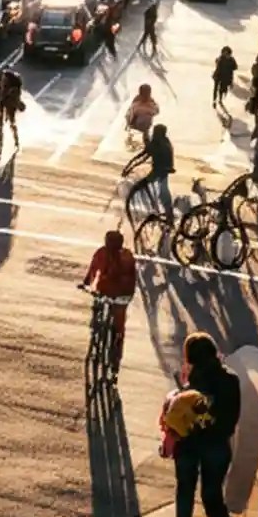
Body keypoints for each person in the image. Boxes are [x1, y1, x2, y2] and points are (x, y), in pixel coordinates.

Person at [168, 332, 243, 517]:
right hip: (218, 447)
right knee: (212, 492)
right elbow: (232, 419)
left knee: (185, 492)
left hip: (189, 446)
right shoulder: (231, 380)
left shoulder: (188, 389)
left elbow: (176, 421)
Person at [80, 229, 136, 381]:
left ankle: (96, 327)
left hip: (105, 292)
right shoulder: (128, 256)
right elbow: (133, 279)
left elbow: (92, 271)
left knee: (98, 305)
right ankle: (115, 362)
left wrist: (85, 284)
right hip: (123, 298)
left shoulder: (102, 253)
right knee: (119, 329)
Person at [123, 124, 176, 220]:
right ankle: (168, 213)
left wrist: (128, 168)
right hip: (165, 169)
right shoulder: (165, 141)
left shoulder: (156, 144)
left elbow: (140, 158)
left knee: (141, 186)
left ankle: (166, 214)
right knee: (163, 191)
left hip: (158, 171)